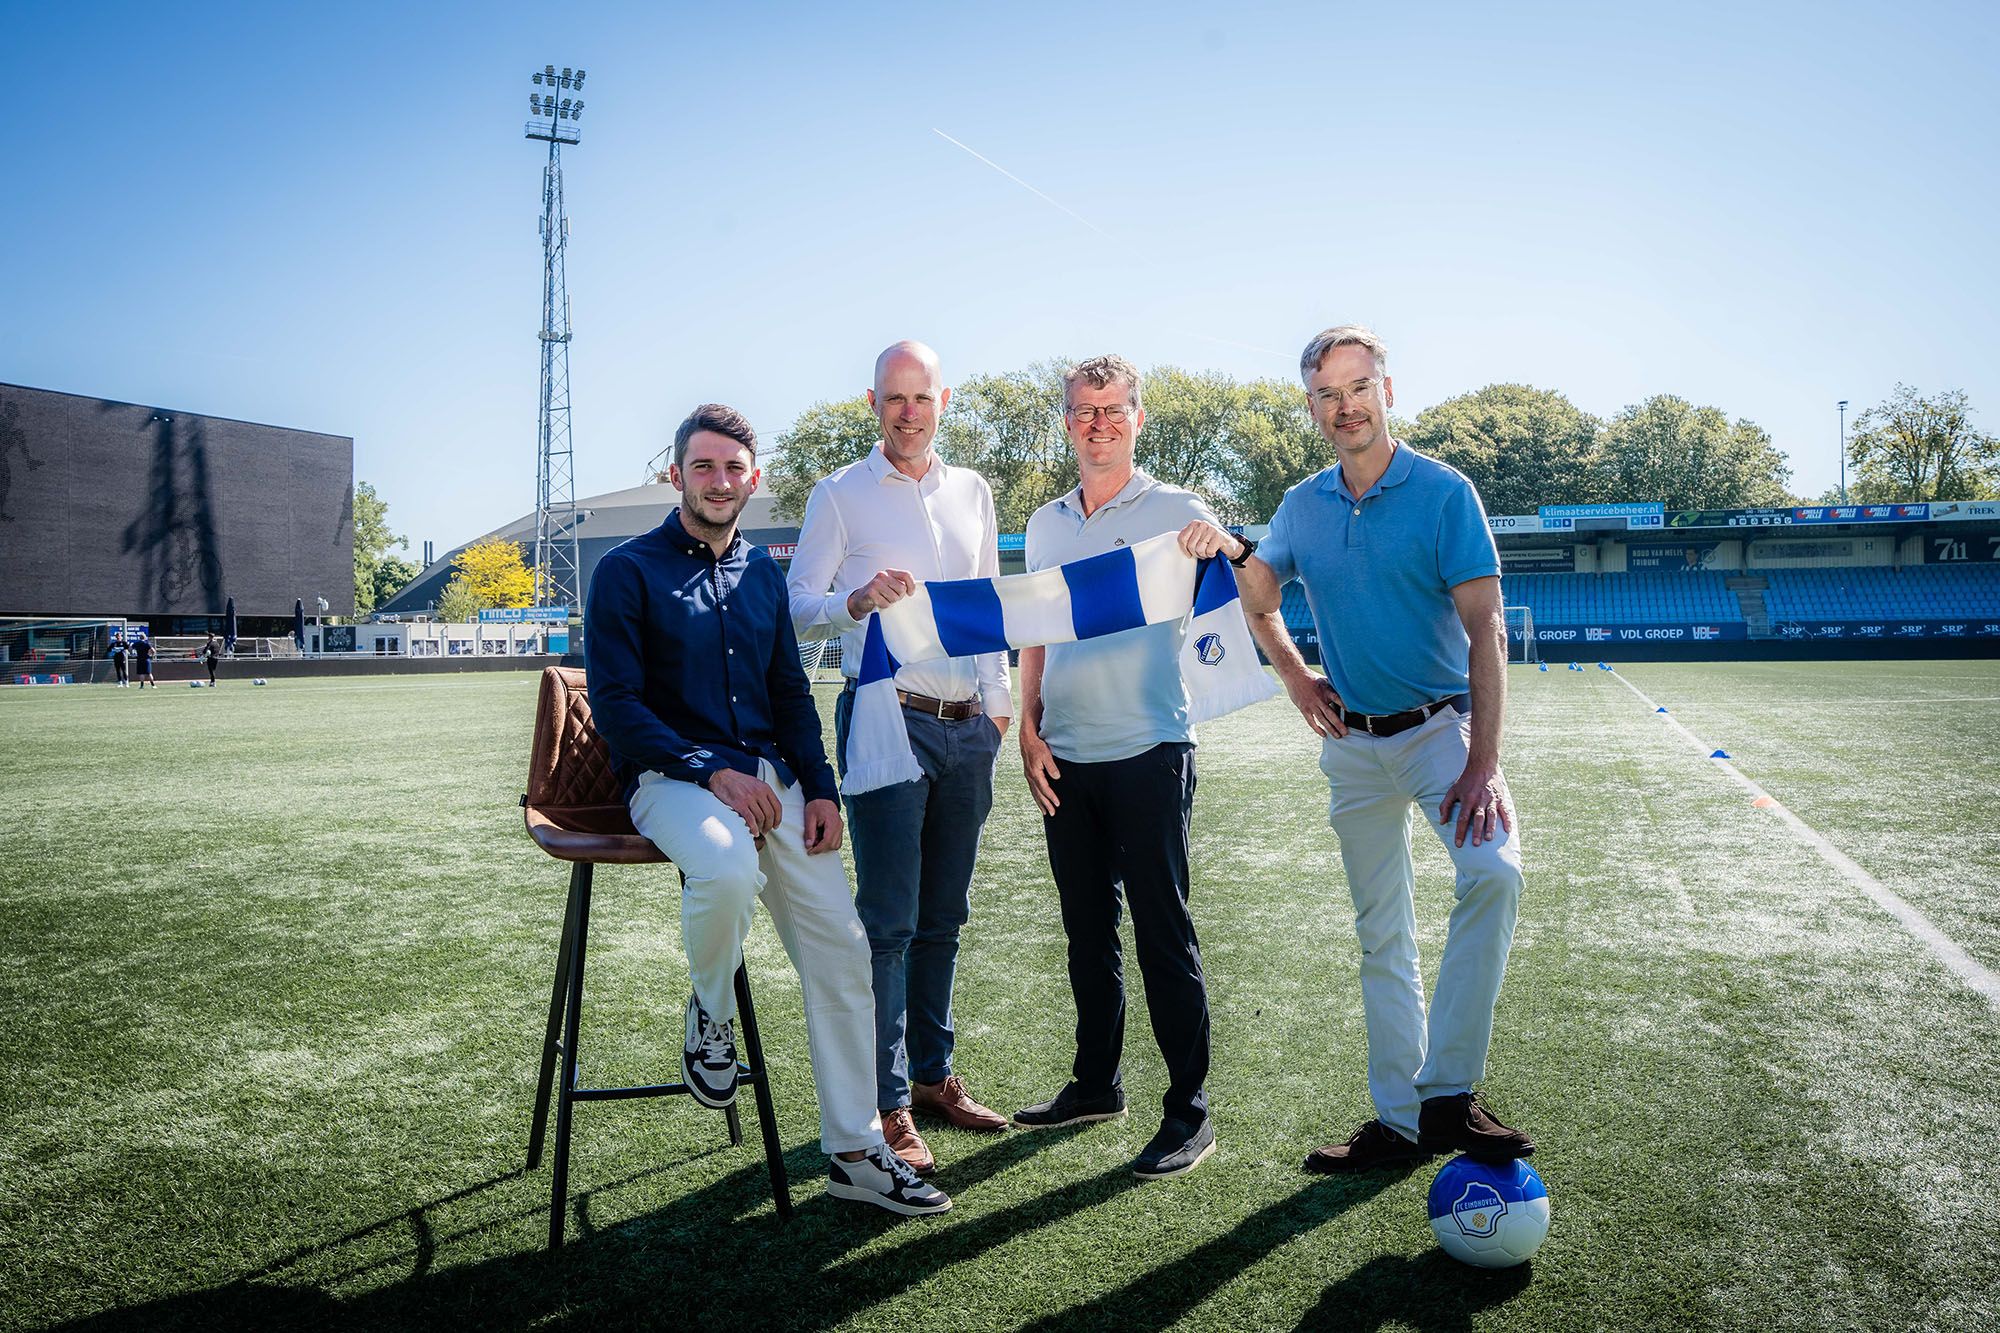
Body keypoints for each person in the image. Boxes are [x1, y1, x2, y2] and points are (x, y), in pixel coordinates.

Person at [586, 403, 950, 1217]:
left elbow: (790, 695)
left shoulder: (762, 573)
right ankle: (710, 1011)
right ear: (675, 475)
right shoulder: (624, 571)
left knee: (847, 952)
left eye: (734, 468)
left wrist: (819, 787)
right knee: (724, 863)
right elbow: (615, 705)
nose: (720, 481)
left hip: (776, 781)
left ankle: (857, 1150)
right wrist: (711, 769)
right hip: (671, 779)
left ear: (754, 479)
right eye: (704, 467)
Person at [1229, 324, 1533, 1172]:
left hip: (1443, 732)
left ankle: (1450, 1094)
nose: (1345, 406)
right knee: (1381, 932)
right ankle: (1400, 1123)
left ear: (1386, 391)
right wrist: (1296, 678)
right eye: (1327, 394)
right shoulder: (1302, 505)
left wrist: (1484, 760)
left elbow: (1488, 628)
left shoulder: (1444, 493)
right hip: (1354, 746)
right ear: (1312, 408)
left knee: (1496, 872)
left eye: (1358, 387)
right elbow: (1258, 597)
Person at [787, 341, 1012, 1174]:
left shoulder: (974, 491)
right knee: (889, 921)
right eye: (894, 398)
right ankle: (886, 1106)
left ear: (942, 400)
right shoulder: (838, 493)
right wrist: (855, 598)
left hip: (966, 727)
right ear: (872, 401)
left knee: (944, 916)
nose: (908, 411)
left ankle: (932, 1077)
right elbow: (796, 606)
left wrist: (996, 709)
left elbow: (987, 604)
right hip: (884, 716)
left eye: (921, 397)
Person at [1011, 354, 1235, 1180]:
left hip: (1150, 749)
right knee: (1085, 932)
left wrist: (1227, 546)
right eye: (1082, 409)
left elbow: (1240, 577)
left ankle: (1189, 1111)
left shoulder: (1178, 509)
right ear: (1066, 420)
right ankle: (1096, 1084)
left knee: (1161, 932)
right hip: (1064, 752)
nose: (1097, 422)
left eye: (1112, 408)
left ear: (1138, 417)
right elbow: (1033, 630)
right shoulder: (1043, 523)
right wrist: (1028, 727)